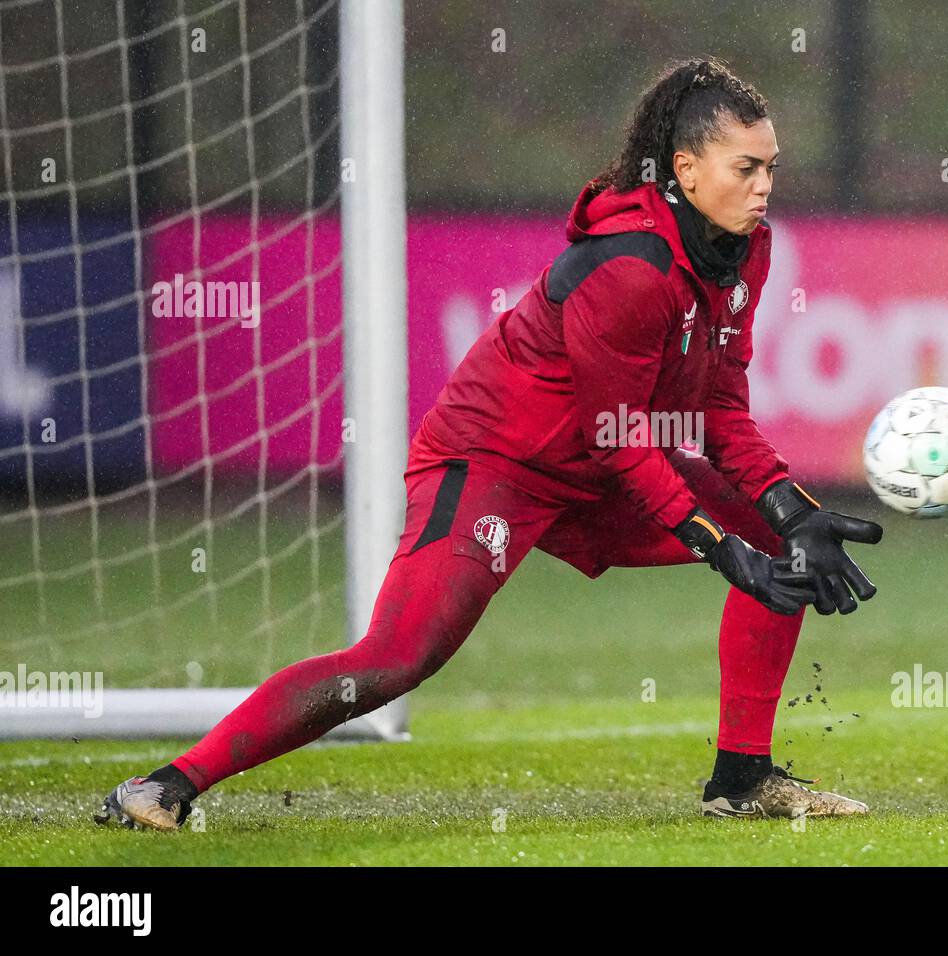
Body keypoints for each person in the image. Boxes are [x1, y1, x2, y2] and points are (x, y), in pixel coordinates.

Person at [94, 56, 883, 830]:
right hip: (497, 464)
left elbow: (717, 404)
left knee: (783, 543)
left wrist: (787, 506)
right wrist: (717, 545)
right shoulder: (628, 266)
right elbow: (619, 440)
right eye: (747, 168)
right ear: (685, 167)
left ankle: (740, 779)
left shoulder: (747, 248)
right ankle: (166, 784)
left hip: (601, 466)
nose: (764, 187)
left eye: (771, 168)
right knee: (399, 656)